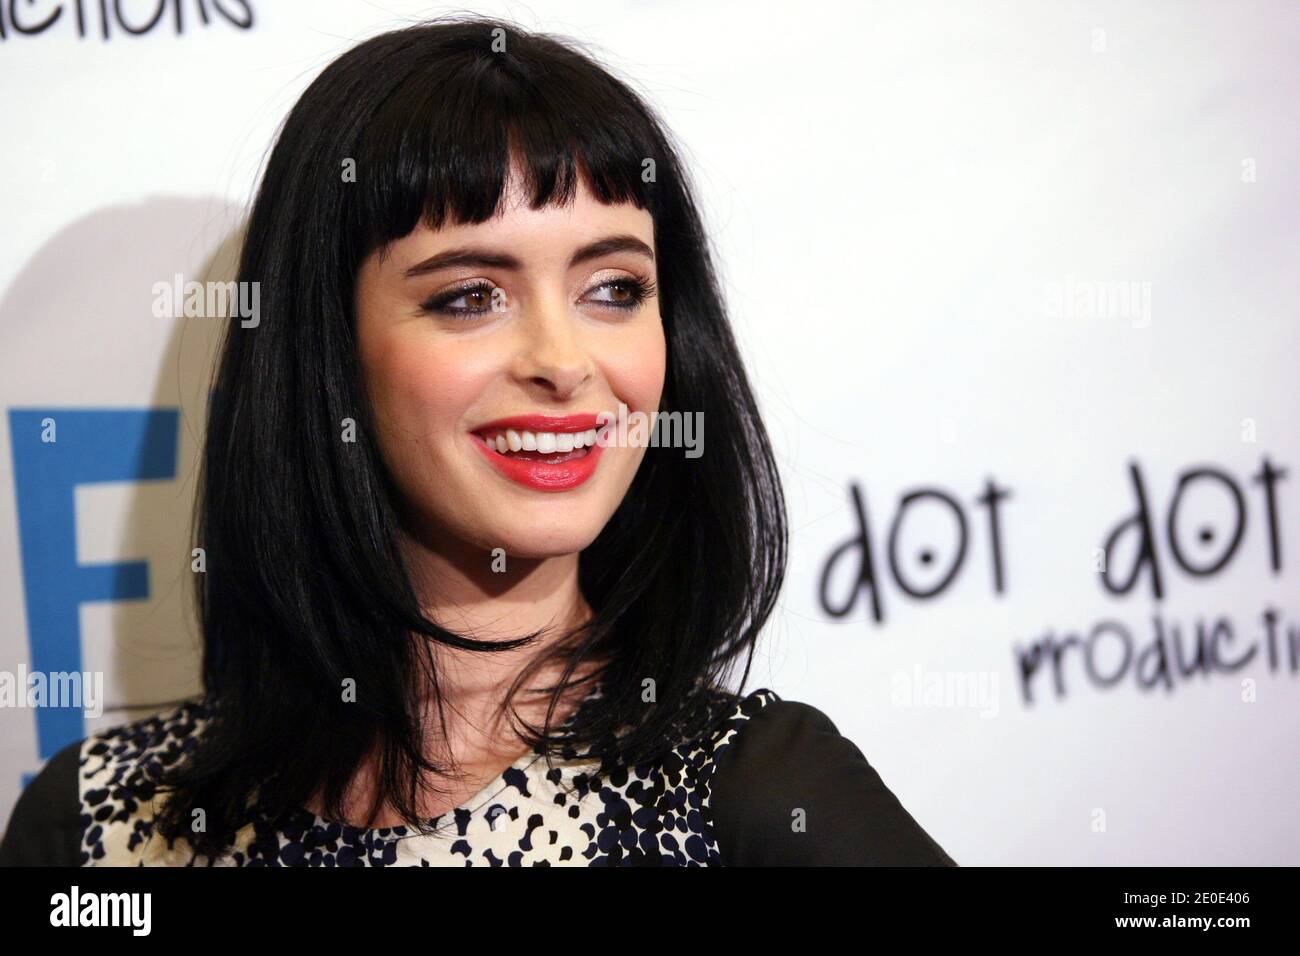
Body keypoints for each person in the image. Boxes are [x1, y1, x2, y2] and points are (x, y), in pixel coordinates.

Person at [0, 16, 955, 867]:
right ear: (325, 352)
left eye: (614, 289)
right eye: (468, 295)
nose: (563, 359)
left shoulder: (758, 803)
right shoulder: (100, 824)